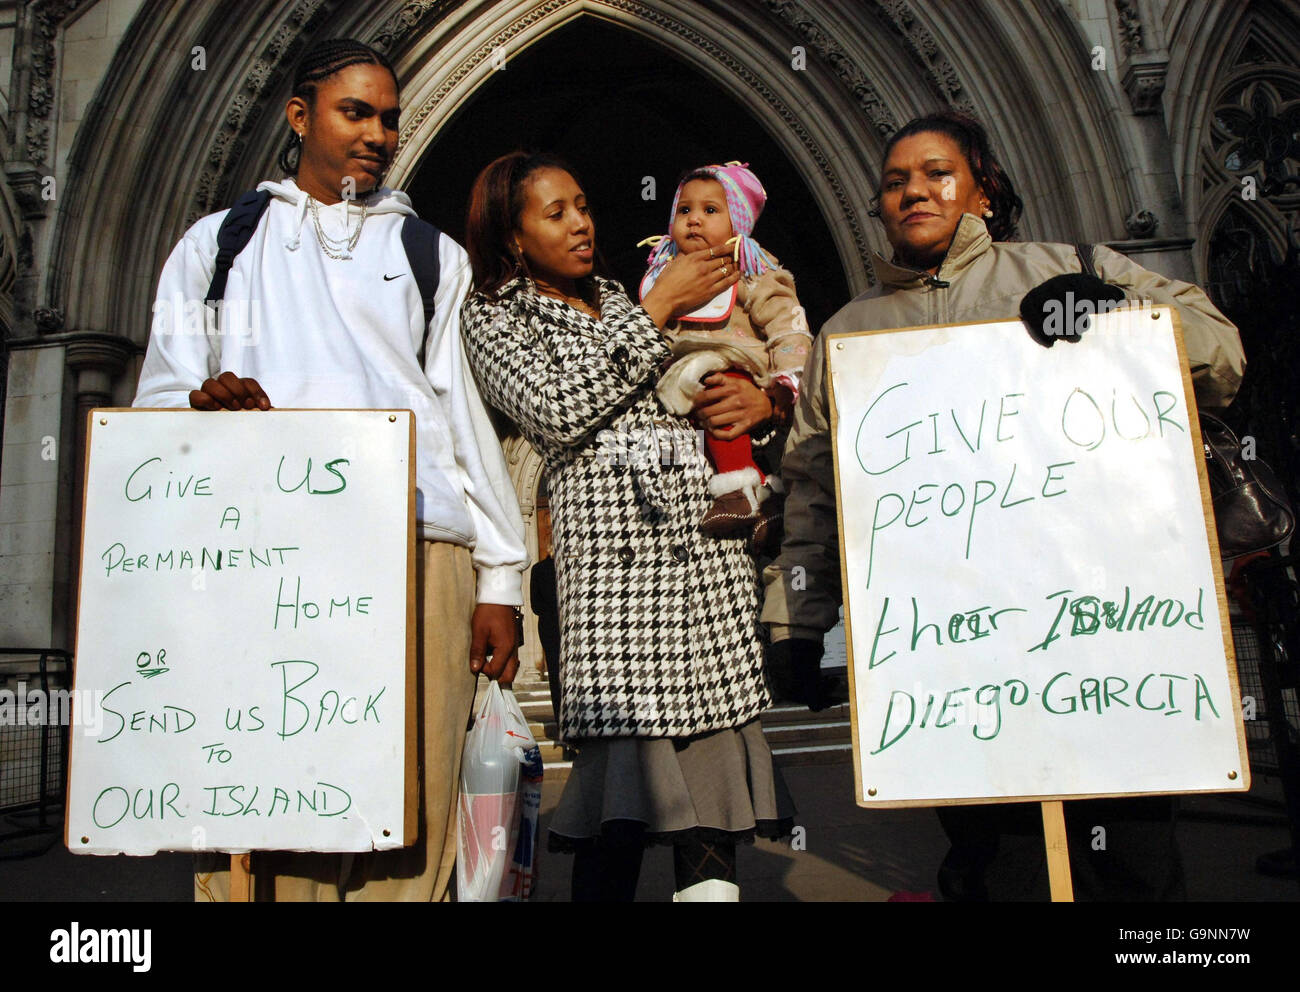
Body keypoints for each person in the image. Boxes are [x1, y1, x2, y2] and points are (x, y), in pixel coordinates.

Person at [763, 110, 1246, 900]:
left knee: (1130, 861)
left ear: (982, 191)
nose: (915, 191)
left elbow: (1220, 355)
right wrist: (797, 623)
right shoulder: (850, 335)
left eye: (937, 173)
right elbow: (813, 488)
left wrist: (1113, 313)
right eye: (895, 181)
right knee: (997, 867)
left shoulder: (1067, 266)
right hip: (956, 658)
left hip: (1104, 633)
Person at [133, 38, 527, 901]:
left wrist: (500, 578)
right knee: (272, 799)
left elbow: (461, 419)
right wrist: (203, 405)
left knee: (407, 813)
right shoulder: (217, 246)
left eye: (389, 118)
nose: (378, 135)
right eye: (356, 113)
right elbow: (156, 401)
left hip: (418, 547)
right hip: (265, 553)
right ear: (299, 116)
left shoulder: (430, 254)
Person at [458, 151, 795, 902]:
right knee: (620, 810)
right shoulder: (494, 314)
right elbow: (556, 411)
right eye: (556, 213)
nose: (582, 222)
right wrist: (658, 311)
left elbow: (708, 379)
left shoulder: (617, 292)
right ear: (513, 237)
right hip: (615, 592)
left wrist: (760, 404)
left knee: (711, 807)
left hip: (706, 569)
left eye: (583, 205)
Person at [638, 162, 812, 544]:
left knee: (719, 391)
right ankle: (764, 494)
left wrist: (789, 376)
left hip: (734, 364)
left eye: (711, 210)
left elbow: (786, 322)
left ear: (738, 223)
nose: (694, 220)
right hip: (685, 377)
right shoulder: (664, 278)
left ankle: (736, 488)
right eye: (684, 210)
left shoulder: (749, 271)